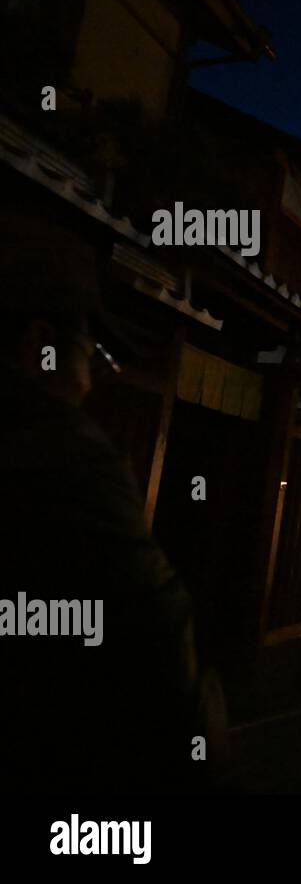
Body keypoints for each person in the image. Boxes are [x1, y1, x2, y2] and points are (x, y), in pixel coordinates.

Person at [0, 236, 226, 793]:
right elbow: (158, 645)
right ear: (39, 346)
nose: (93, 379)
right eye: (92, 355)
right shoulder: (59, 453)